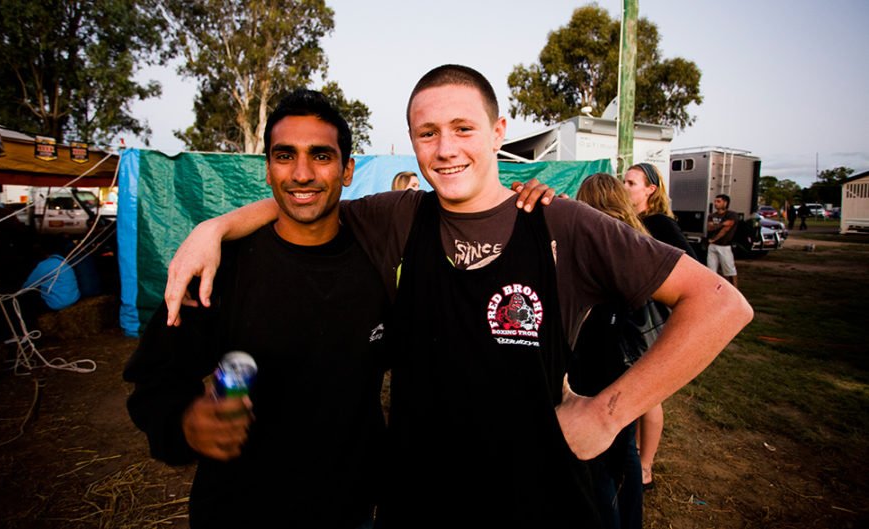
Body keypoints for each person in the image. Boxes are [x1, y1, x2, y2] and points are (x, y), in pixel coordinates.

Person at [165, 64, 753, 528]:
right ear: (413, 143)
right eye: (428, 133)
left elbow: (720, 304)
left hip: (538, 502)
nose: (445, 149)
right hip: (418, 503)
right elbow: (305, 198)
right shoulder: (399, 217)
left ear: (499, 133)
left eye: (463, 129)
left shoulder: (563, 225)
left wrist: (609, 411)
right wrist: (212, 229)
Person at [124, 89, 393, 529]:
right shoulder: (218, 270)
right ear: (267, 170)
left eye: (321, 156)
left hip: (350, 509)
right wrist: (186, 424)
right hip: (237, 510)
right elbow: (154, 380)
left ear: (348, 170)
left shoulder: (380, 264)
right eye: (285, 155)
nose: (301, 174)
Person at [573, 172, 652, 529]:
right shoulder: (638, 237)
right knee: (625, 447)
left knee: (596, 457)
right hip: (629, 359)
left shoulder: (596, 239)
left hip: (597, 359)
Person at [623, 163, 699, 492]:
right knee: (637, 392)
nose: (624, 186)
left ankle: (645, 467)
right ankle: (637, 455)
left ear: (649, 190)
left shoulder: (660, 224)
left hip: (651, 320)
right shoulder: (635, 221)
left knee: (649, 394)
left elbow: (691, 264)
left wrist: (655, 284)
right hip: (634, 318)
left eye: (630, 182)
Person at [706, 194, 739, 288]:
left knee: (729, 270)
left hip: (724, 246)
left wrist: (714, 239)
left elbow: (726, 229)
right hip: (712, 246)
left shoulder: (731, 215)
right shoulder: (712, 215)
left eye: (718, 201)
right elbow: (710, 227)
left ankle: (734, 290)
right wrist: (722, 224)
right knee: (711, 269)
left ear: (725, 203)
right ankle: (713, 288)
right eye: (715, 201)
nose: (716, 204)